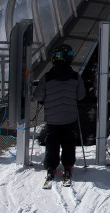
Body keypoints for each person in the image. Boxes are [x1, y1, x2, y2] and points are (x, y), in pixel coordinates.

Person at [33, 43, 87, 187]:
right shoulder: (75, 77)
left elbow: (38, 96)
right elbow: (81, 95)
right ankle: (68, 166)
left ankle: (51, 167)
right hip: (69, 117)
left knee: (52, 142)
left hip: (52, 118)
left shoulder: (47, 77)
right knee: (69, 141)